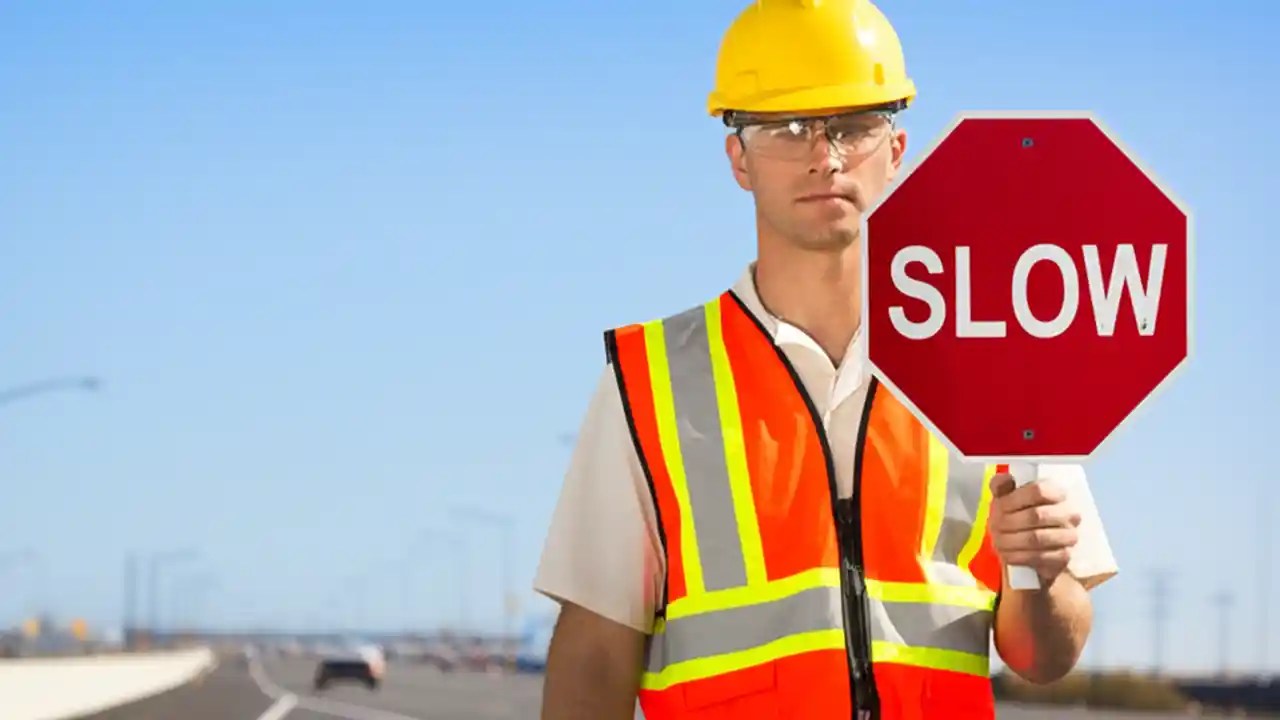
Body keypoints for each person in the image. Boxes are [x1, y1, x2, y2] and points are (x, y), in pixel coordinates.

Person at [533, 1, 1118, 718]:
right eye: (784, 128)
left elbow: (1042, 657)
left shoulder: (994, 352)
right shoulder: (650, 379)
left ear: (897, 149)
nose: (824, 155)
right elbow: (594, 651)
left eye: (853, 125)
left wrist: (1041, 573)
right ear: (737, 158)